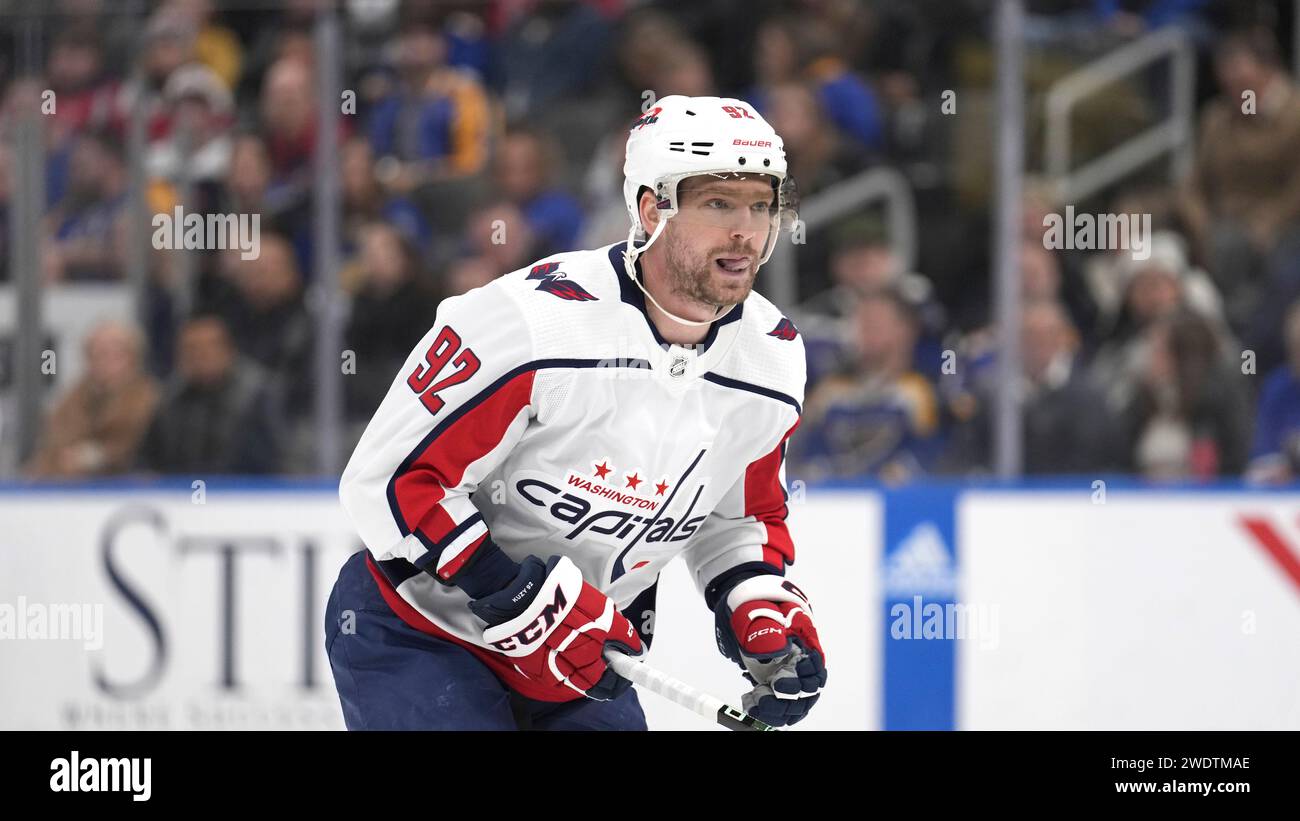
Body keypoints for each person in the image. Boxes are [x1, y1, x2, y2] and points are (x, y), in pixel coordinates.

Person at [326, 95, 827, 730]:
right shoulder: (531, 324)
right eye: (718, 203)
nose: (746, 231)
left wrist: (756, 602)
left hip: (577, 659)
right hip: (423, 628)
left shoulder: (771, 358)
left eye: (761, 205)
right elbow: (390, 482)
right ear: (652, 209)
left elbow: (738, 518)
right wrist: (509, 590)